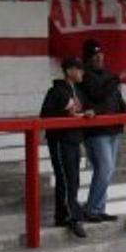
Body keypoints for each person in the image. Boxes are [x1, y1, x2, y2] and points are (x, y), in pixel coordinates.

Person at [79, 39, 126, 224]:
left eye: (101, 54)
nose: (100, 57)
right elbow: (98, 94)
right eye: (95, 55)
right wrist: (117, 79)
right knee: (105, 169)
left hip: (113, 129)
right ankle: (91, 208)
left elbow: (115, 96)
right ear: (89, 58)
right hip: (96, 132)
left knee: (106, 171)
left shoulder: (108, 75)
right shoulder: (85, 76)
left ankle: (99, 208)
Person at [40, 58, 88, 239]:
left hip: (75, 139)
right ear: (69, 71)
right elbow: (44, 115)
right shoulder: (55, 92)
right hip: (60, 140)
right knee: (66, 178)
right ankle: (71, 217)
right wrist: (64, 111)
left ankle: (63, 215)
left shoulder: (78, 91)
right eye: (79, 69)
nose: (82, 73)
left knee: (73, 178)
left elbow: (81, 110)